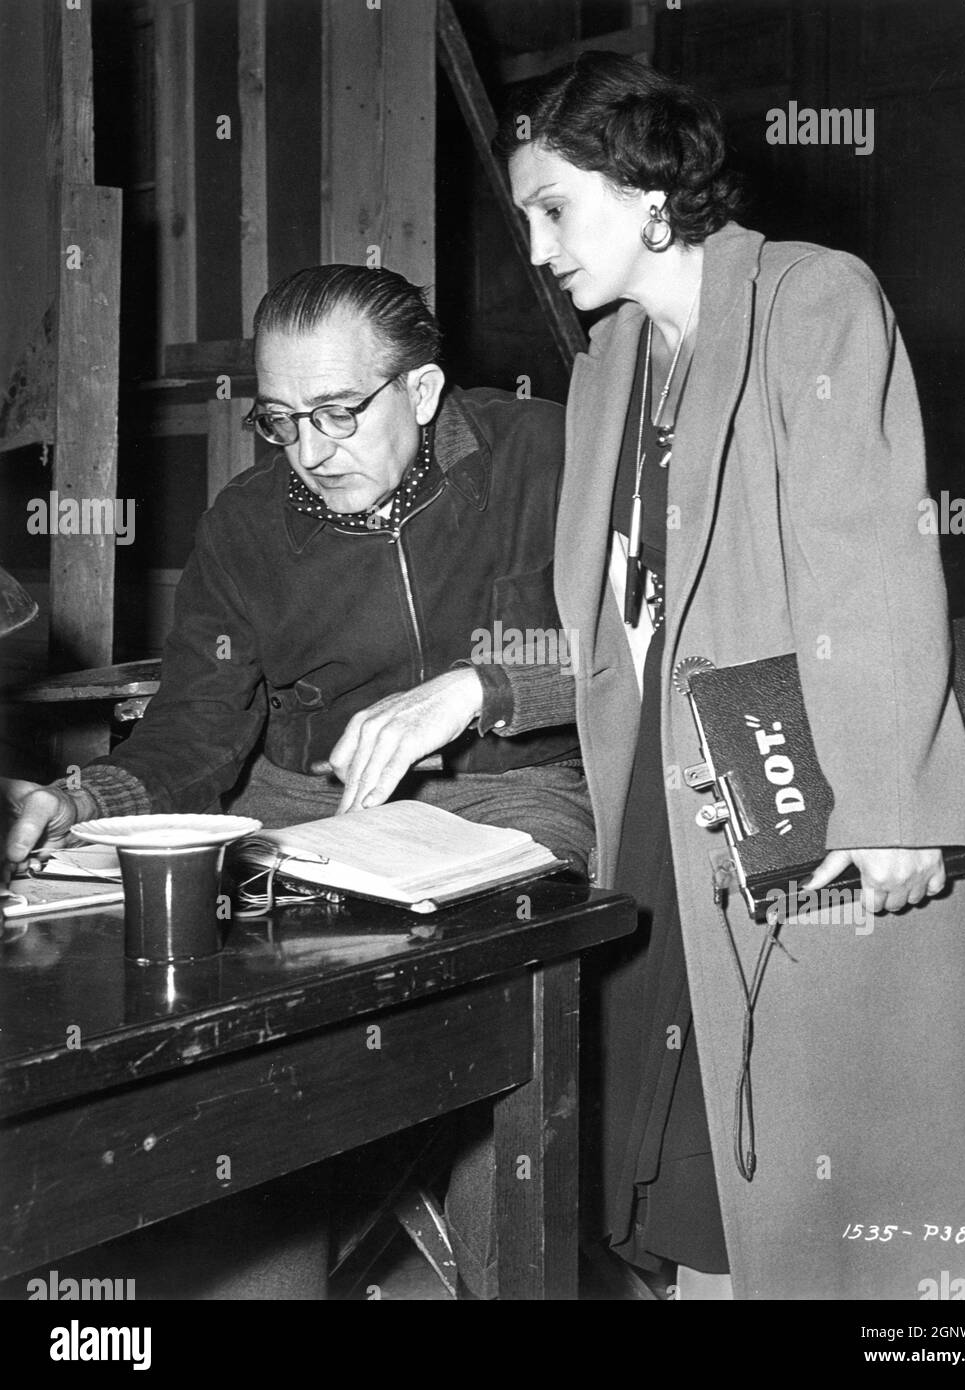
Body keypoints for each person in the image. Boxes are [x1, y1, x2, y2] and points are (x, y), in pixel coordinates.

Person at [480, 51, 965, 1299]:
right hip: (666, 807)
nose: (534, 244)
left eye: (552, 207)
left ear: (645, 191)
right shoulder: (608, 363)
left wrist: (895, 808)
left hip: (826, 792)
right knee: (695, 1147)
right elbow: (624, 614)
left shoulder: (810, 298)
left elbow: (868, 562)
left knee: (846, 1167)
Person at [2, 264, 593, 1300]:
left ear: (418, 390)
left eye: (336, 414)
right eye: (279, 422)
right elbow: (194, 728)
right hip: (304, 812)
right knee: (215, 1017)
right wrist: (81, 799)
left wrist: (491, 683)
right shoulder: (247, 520)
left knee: (457, 978)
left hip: (510, 795)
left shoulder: (548, 455)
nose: (309, 454)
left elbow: (662, 633)